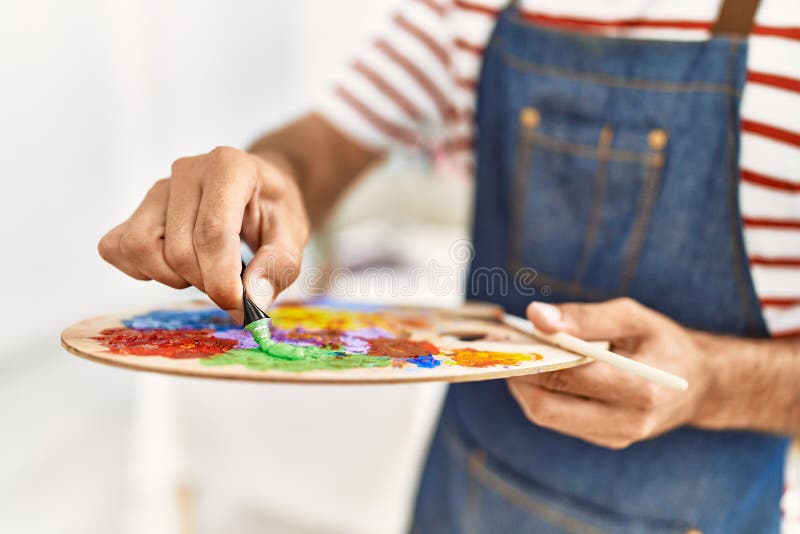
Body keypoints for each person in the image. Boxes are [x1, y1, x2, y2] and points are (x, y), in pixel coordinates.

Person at [99, 0, 800, 531]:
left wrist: (715, 382)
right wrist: (267, 177)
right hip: (470, 489)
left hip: (697, 508)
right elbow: (325, 145)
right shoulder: (471, 9)